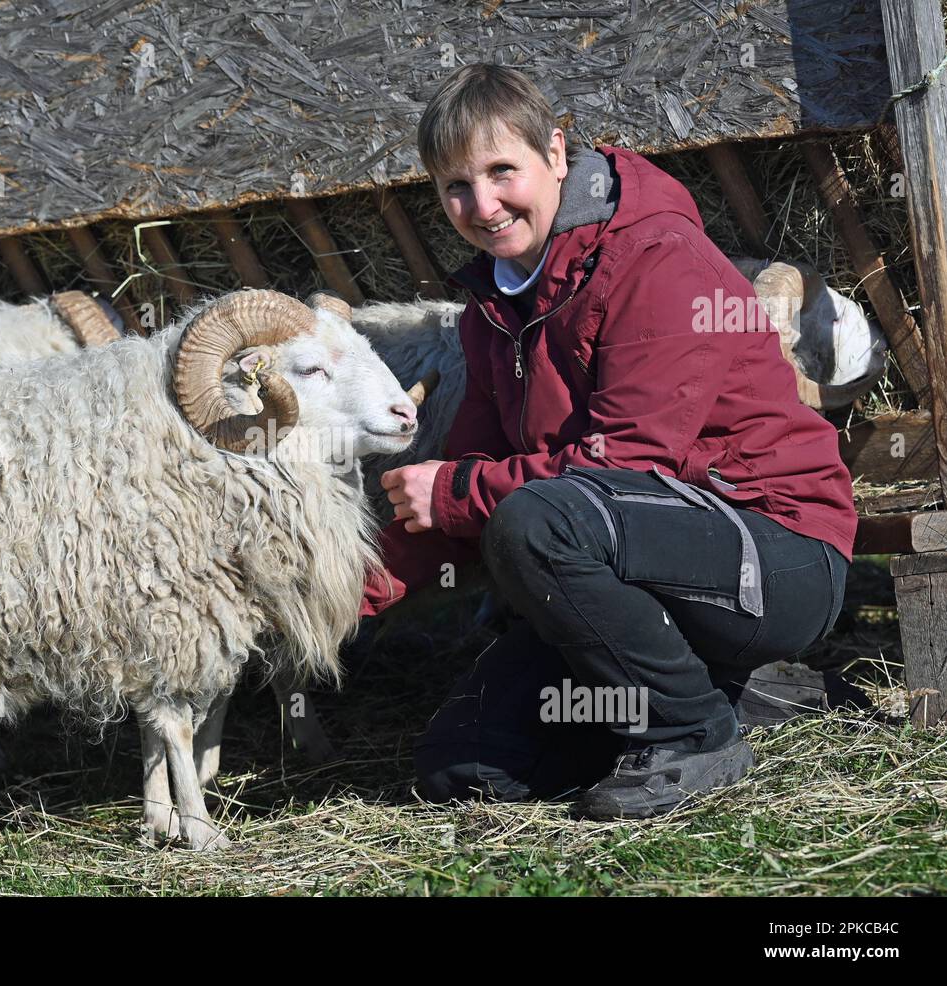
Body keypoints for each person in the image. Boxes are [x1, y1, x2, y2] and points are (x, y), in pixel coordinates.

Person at [361, 65, 855, 819]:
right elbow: (464, 477)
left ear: (555, 154)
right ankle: (731, 691)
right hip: (639, 566)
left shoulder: (657, 260)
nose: (483, 205)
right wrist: (335, 598)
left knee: (535, 519)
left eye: (502, 171)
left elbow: (630, 461)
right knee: (463, 770)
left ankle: (693, 734)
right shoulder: (494, 308)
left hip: (775, 554)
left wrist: (460, 492)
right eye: (457, 185)